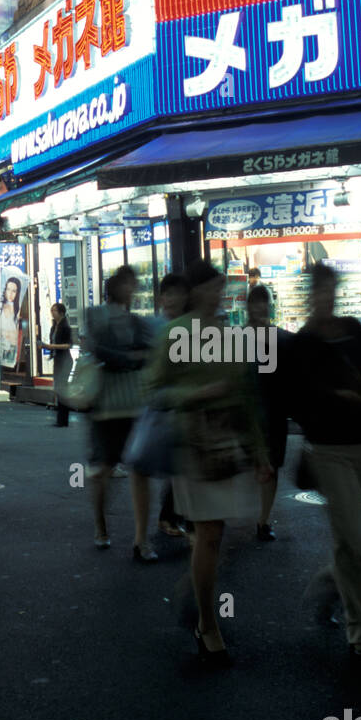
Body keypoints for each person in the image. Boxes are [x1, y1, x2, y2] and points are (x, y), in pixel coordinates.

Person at [146, 259, 271, 665]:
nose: (221, 294)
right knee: (212, 530)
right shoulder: (176, 334)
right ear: (197, 291)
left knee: (218, 534)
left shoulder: (230, 336)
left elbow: (246, 397)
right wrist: (194, 397)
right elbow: (154, 388)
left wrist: (259, 452)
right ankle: (207, 622)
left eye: (222, 287)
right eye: (214, 287)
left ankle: (197, 588)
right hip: (192, 444)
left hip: (226, 443)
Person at [289, 263, 361, 660]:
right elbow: (299, 401)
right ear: (309, 295)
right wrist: (337, 398)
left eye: (331, 290)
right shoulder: (302, 344)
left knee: (351, 542)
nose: (326, 297)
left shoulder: (352, 328)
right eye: (319, 291)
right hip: (326, 450)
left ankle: (330, 583)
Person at [86, 266, 157, 559]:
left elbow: (149, 353)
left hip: (134, 403)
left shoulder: (138, 321)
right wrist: (130, 357)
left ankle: (141, 539)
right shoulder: (97, 316)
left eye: (134, 284)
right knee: (102, 469)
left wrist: (127, 357)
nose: (133, 289)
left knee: (139, 468)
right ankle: (101, 525)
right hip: (104, 405)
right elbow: (99, 350)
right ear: (116, 286)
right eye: (129, 284)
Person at [246, 284, 293, 541]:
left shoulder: (280, 338)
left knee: (271, 465)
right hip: (252, 411)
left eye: (264, 301)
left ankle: (263, 520)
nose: (261, 306)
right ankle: (258, 518)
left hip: (273, 411)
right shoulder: (240, 338)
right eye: (256, 301)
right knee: (256, 466)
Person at [152, 273, 190, 539]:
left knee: (181, 467)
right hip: (165, 407)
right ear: (162, 298)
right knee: (178, 467)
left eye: (179, 293)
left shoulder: (186, 326)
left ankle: (174, 516)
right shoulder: (158, 329)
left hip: (183, 406)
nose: (174, 299)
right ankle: (168, 517)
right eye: (169, 294)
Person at [49, 302, 74, 427]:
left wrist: (51, 346)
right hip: (57, 359)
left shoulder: (65, 327)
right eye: (52, 310)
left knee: (62, 389)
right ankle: (61, 419)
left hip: (65, 360)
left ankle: (64, 419)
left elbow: (68, 345)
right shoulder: (54, 326)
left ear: (61, 312)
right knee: (59, 389)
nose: (52, 312)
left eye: (54, 310)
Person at [0, 276, 22, 371]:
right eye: (8, 289)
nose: (10, 294)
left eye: (14, 291)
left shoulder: (17, 309)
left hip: (11, 345)